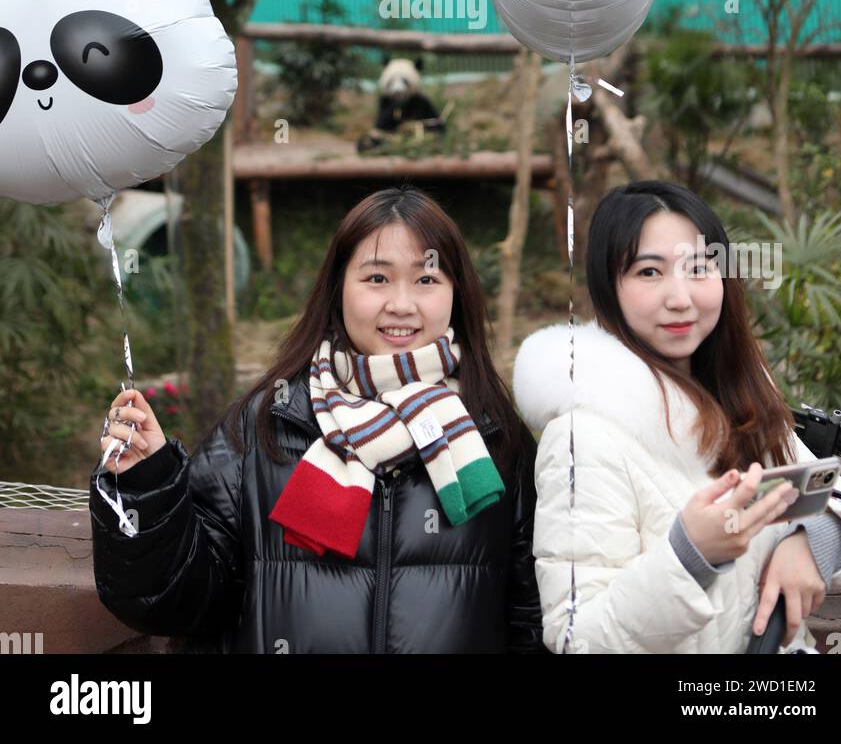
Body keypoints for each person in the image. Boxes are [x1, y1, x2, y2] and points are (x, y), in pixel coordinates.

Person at [90, 185, 544, 653]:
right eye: (377, 279)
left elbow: (533, 619)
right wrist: (146, 486)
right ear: (338, 289)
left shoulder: (492, 437)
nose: (402, 304)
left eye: (427, 280)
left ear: (456, 292)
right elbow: (174, 601)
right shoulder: (268, 425)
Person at [512, 180, 841, 654]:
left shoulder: (745, 404)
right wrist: (690, 555)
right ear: (608, 287)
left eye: (698, 268)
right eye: (649, 272)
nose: (680, 297)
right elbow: (579, 637)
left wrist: (815, 541)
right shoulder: (583, 436)